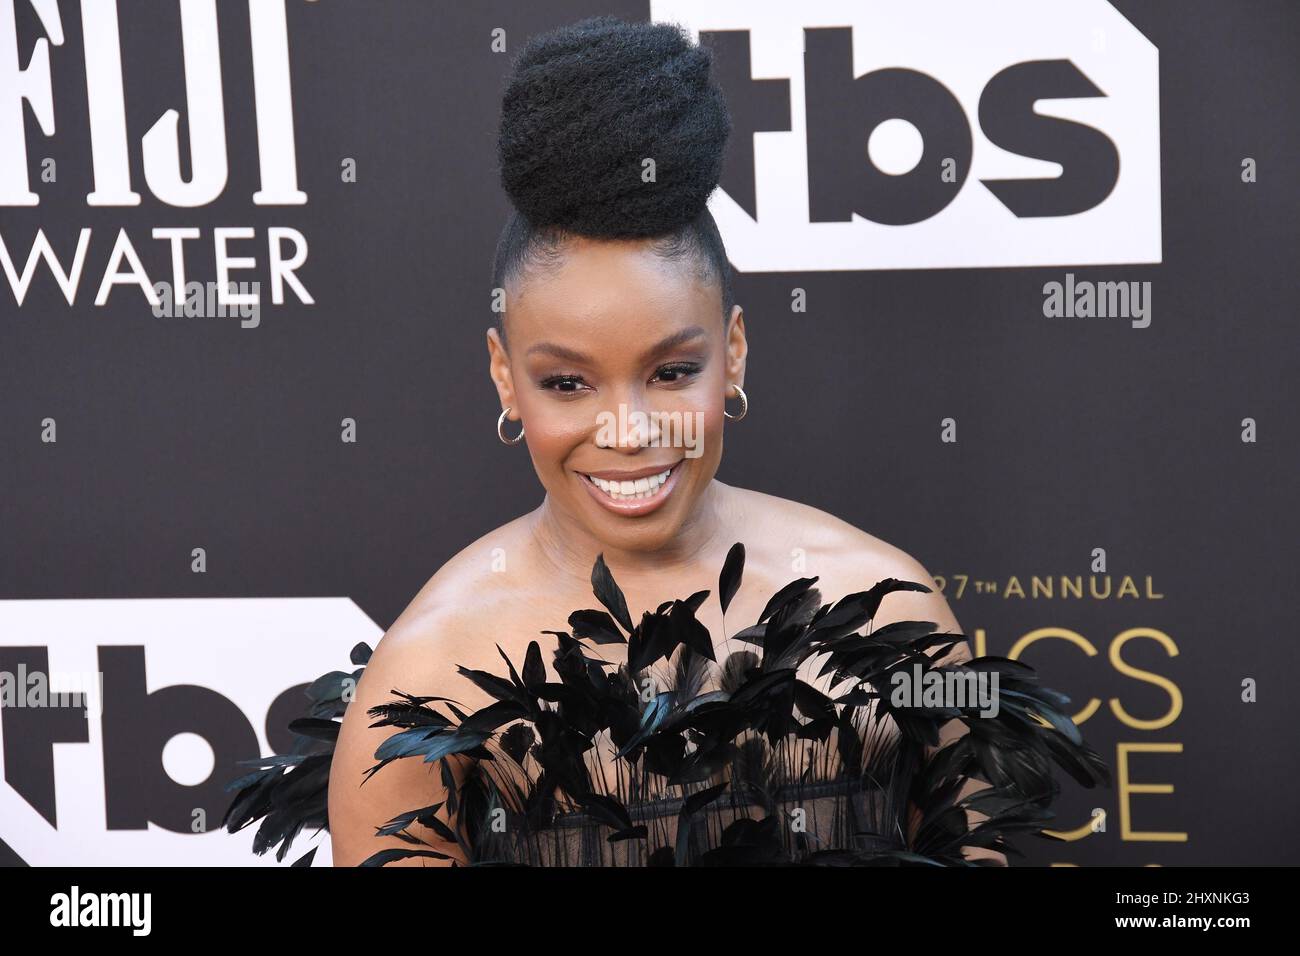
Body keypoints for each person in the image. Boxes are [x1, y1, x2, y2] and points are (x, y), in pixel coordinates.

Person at [322, 16, 1006, 867]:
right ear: (505, 376)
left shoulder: (892, 611)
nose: (630, 431)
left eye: (673, 371)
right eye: (567, 383)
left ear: (736, 352)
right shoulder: (426, 688)